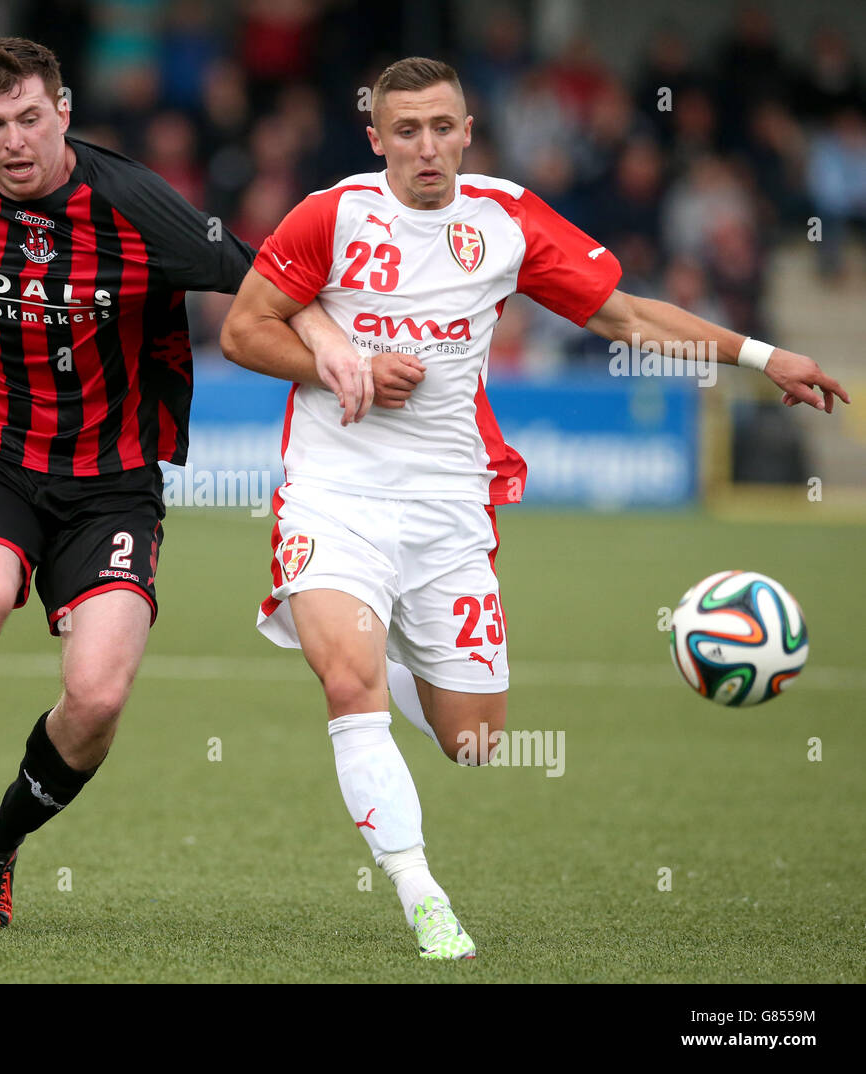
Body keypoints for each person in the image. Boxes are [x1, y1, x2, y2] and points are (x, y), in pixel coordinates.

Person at [219, 56, 848, 960]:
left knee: (473, 744)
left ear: (469, 130)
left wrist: (761, 355)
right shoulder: (332, 215)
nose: (426, 147)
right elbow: (246, 328)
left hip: (449, 510)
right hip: (335, 494)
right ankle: (421, 891)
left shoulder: (505, 220)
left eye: (443, 127)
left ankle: (380, 639)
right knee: (347, 684)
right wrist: (338, 362)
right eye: (406, 131)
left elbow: (625, 319)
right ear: (377, 139)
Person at [0, 36, 366, 928]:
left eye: (32, 117)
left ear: (64, 111)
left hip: (112, 476)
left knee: (100, 695)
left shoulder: (140, 209)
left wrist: (333, 345)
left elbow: (265, 279)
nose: (15, 141)